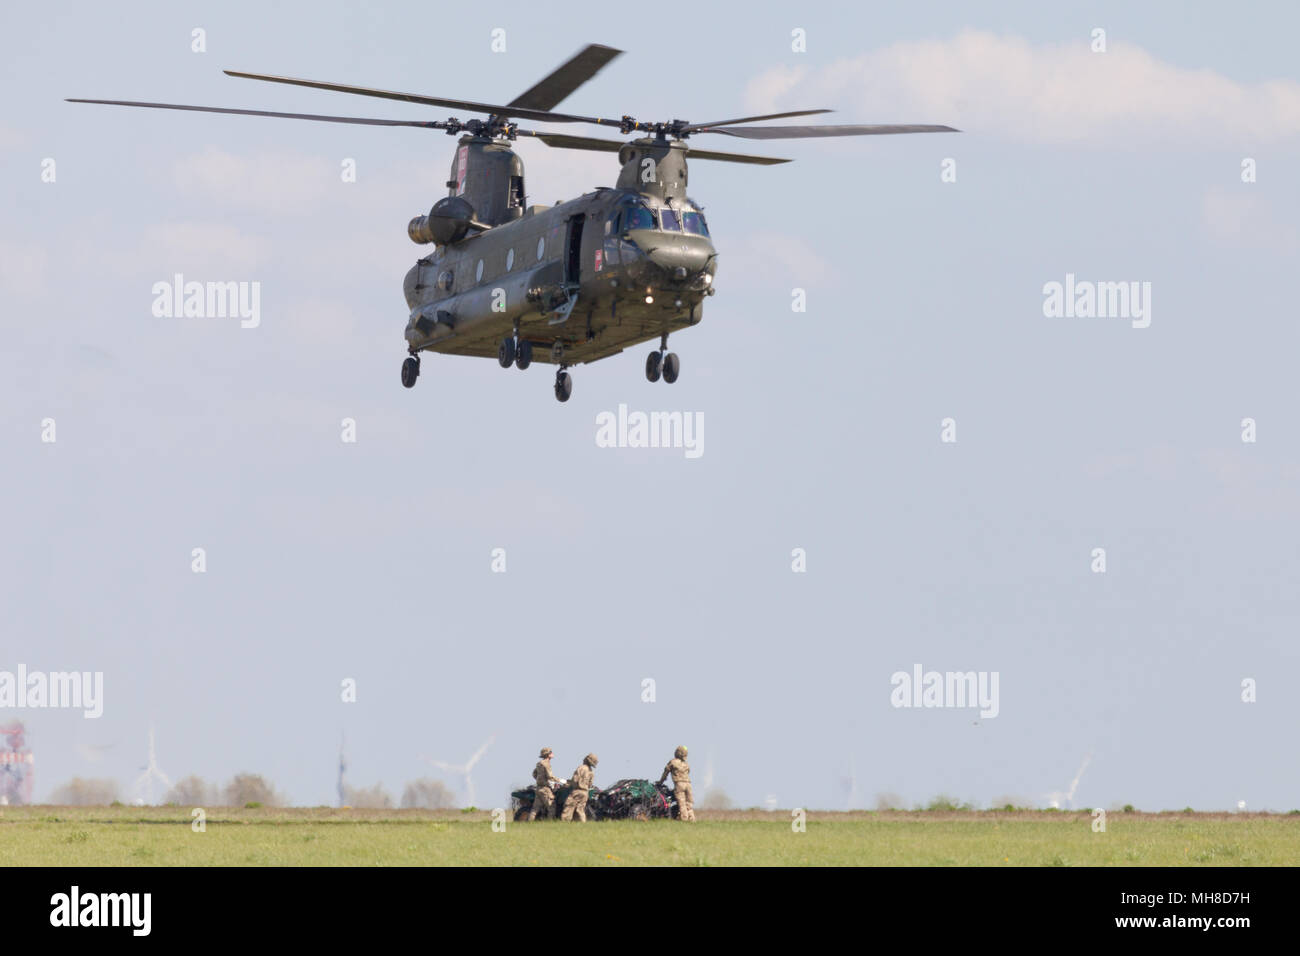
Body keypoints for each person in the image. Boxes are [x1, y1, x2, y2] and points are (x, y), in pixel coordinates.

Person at [658, 745, 695, 822]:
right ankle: (692, 819)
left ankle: (684, 819)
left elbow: (665, 773)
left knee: (682, 804)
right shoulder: (686, 764)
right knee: (689, 804)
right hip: (688, 784)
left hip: (679, 784)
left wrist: (660, 782)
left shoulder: (673, 762)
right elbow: (688, 772)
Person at [527, 747, 564, 821]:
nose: (552, 754)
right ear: (548, 755)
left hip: (539, 788)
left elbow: (534, 774)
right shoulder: (546, 764)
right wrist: (561, 781)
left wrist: (540, 780)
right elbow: (550, 776)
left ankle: (529, 822)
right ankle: (550, 824)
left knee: (535, 809)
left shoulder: (539, 763)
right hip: (545, 789)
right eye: (551, 752)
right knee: (552, 807)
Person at [561, 753, 599, 821]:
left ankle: (564, 824)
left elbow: (575, 780)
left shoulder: (581, 768)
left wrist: (568, 784)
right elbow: (590, 784)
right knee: (580, 810)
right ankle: (581, 824)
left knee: (568, 807)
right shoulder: (591, 771)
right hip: (585, 793)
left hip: (577, 791)